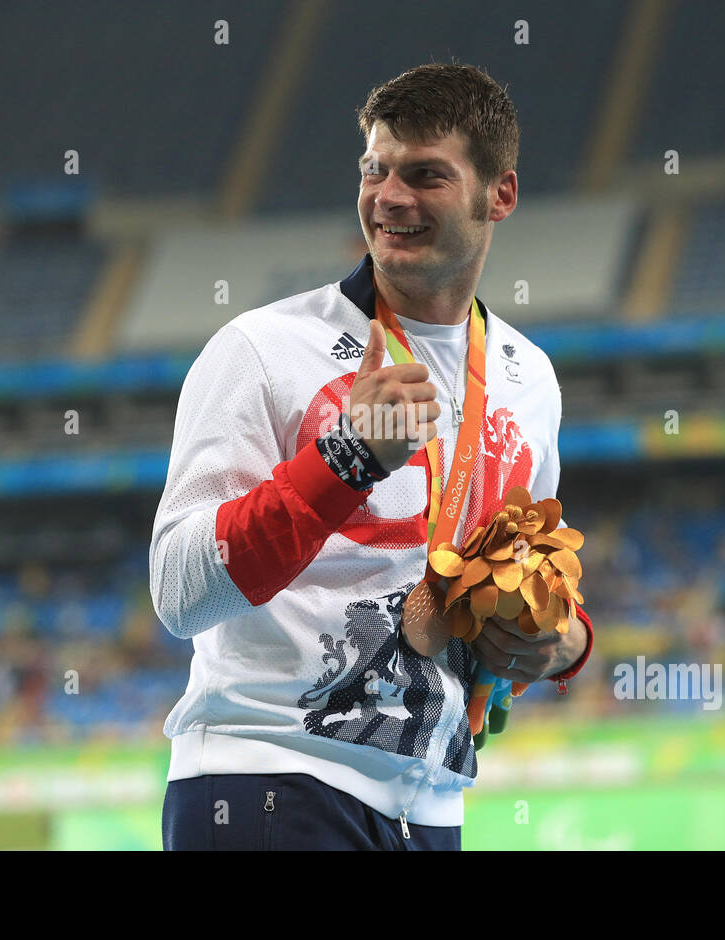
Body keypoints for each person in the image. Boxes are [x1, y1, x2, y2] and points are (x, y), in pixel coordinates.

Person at [151, 63, 592, 850]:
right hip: (268, 779)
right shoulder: (263, 350)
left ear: (501, 195)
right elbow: (181, 591)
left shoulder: (529, 378)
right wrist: (348, 458)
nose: (388, 199)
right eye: (374, 171)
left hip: (431, 804)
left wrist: (561, 643)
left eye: (425, 176)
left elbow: (532, 573)